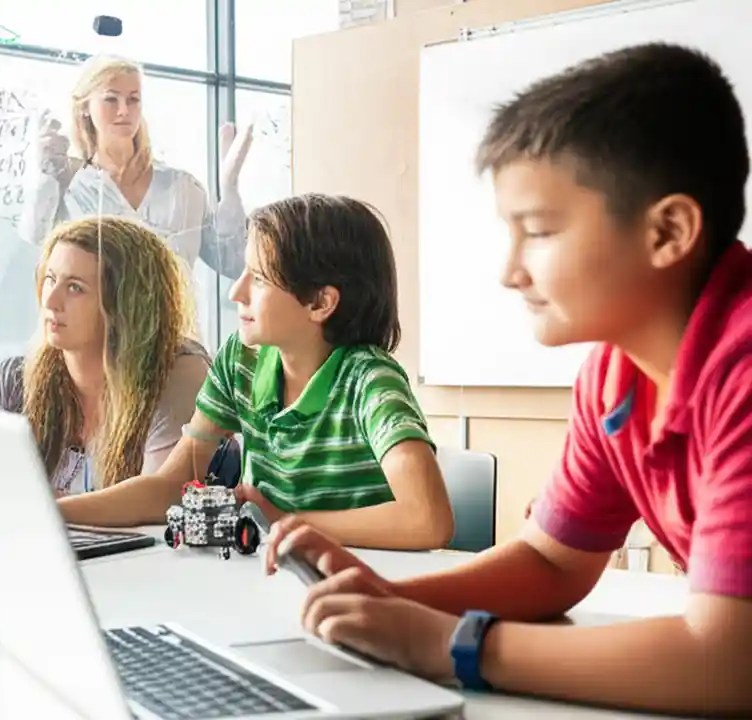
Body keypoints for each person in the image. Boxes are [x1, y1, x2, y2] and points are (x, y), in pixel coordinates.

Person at [265, 44, 752, 717]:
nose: (509, 271)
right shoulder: (615, 377)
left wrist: (454, 646)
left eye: (541, 231)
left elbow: (728, 663)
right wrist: (387, 600)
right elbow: (553, 564)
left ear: (668, 231)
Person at [58, 194, 454, 551]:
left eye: (259, 279)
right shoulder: (242, 361)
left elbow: (428, 521)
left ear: (320, 302)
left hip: (361, 586)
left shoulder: (371, 381)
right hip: (275, 575)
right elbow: (170, 489)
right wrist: (53, 513)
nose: (236, 292)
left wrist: (287, 523)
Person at [0, 216, 214, 493]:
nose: (51, 301)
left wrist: (40, 505)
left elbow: (160, 502)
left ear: (127, 304)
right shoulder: (11, 385)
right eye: (50, 279)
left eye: (75, 287)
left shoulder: (175, 374)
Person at [19, 54, 254, 282]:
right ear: (85, 107)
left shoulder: (182, 188)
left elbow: (233, 263)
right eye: (111, 99)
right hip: (92, 323)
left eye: (133, 99)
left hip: (172, 323)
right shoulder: (70, 187)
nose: (124, 110)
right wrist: (44, 176)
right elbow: (33, 234)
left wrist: (230, 186)